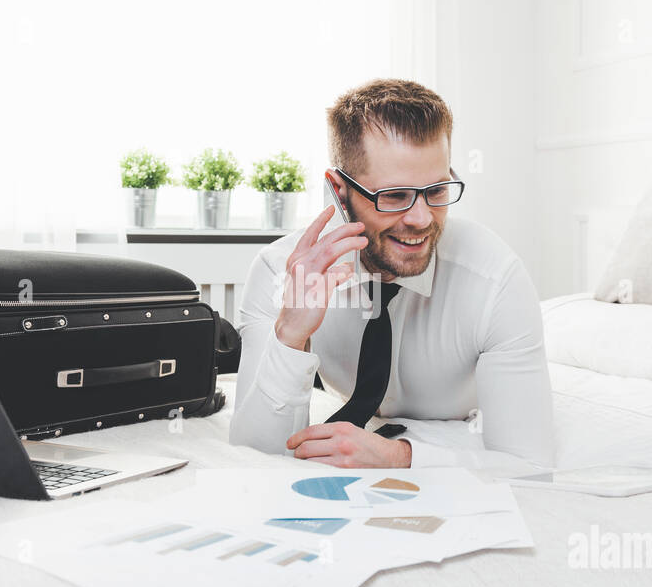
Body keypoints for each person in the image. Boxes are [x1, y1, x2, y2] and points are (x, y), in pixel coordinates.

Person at [229, 78, 554, 470]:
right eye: (394, 196)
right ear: (339, 190)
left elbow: (530, 463)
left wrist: (400, 457)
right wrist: (291, 334)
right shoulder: (279, 271)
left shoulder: (495, 281)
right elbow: (255, 456)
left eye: (436, 191)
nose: (420, 219)